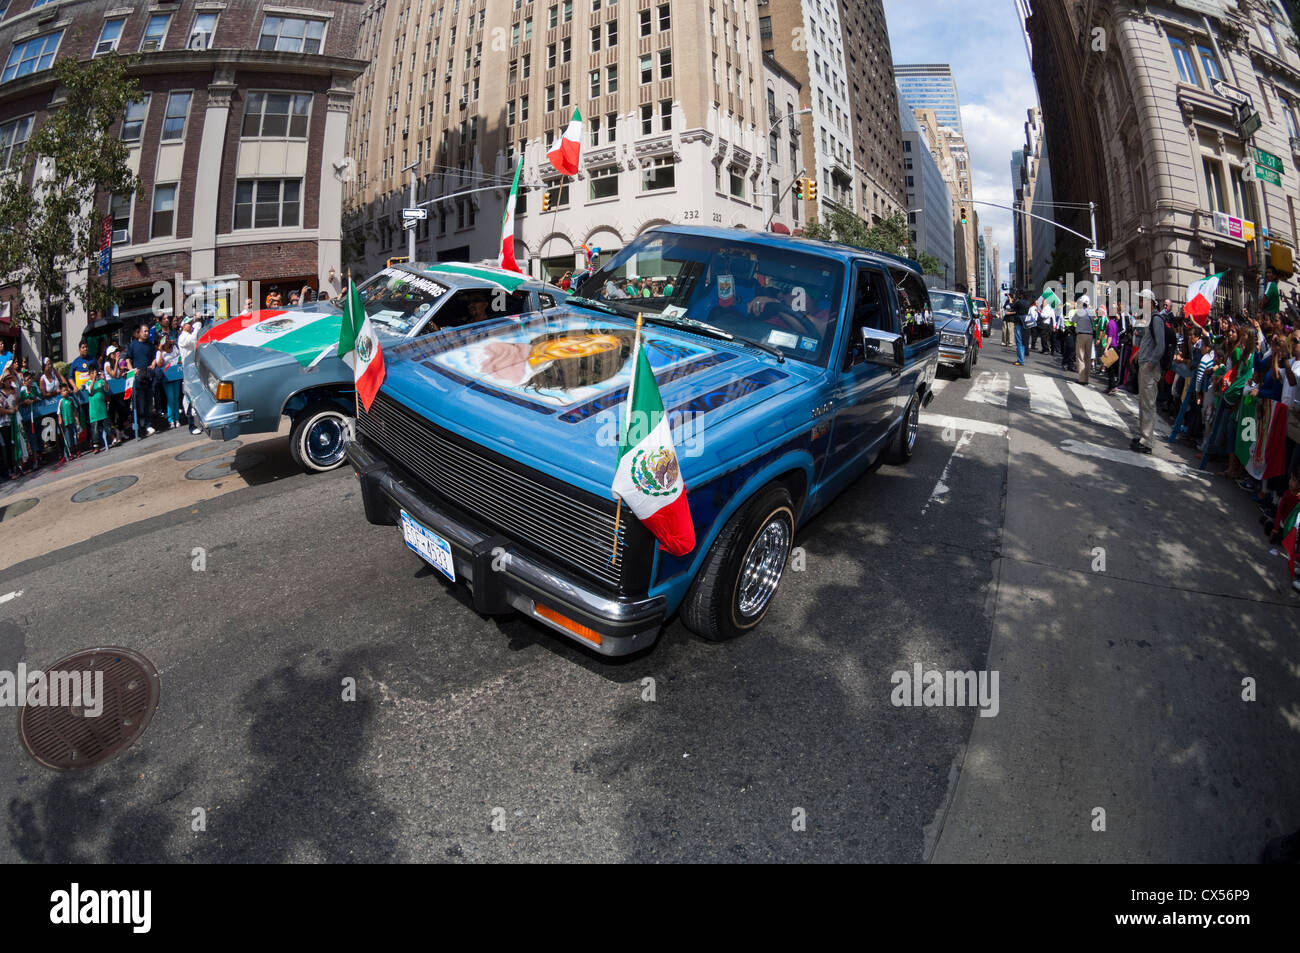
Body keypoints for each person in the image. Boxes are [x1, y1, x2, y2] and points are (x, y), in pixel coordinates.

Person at [1131, 303, 1166, 454]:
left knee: (1148, 404)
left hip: (1149, 368)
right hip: (1144, 365)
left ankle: (1147, 442)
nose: (1140, 304)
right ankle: (1143, 436)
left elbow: (1160, 345)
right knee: (1143, 403)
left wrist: (1151, 362)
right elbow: (1145, 343)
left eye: (1142, 301)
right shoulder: (1148, 319)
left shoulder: (1156, 319)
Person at [125, 321, 156, 438]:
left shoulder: (150, 344)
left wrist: (153, 364)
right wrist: (132, 371)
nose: (147, 333)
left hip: (148, 375)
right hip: (138, 377)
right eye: (145, 331)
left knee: (148, 402)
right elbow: (127, 359)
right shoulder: (133, 345)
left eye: (148, 331)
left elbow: (154, 357)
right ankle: (138, 423)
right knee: (139, 402)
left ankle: (148, 424)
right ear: (140, 332)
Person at [154, 337, 182, 428]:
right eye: (163, 340)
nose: (166, 341)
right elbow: (160, 364)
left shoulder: (174, 348)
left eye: (167, 339)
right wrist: (161, 351)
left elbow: (180, 359)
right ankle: (171, 419)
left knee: (176, 397)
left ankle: (177, 418)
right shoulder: (159, 352)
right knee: (170, 398)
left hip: (176, 375)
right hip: (167, 377)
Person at [86, 367, 110, 453]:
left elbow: (106, 389)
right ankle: (96, 446)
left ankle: (113, 438)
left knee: (107, 425)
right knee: (95, 429)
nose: (95, 374)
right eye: (93, 373)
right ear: (90, 374)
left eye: (96, 372)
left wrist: (104, 380)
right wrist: (93, 380)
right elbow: (90, 391)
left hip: (102, 408)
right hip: (94, 410)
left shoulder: (100, 381)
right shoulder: (88, 383)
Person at [57, 383, 78, 461]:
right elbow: (59, 412)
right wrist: (60, 419)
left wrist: (76, 418)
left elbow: (74, 409)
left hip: (72, 420)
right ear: (61, 393)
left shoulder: (71, 399)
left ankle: (77, 450)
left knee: (74, 435)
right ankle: (71, 453)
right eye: (63, 391)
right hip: (66, 422)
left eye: (66, 390)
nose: (65, 392)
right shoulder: (61, 401)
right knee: (68, 437)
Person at [1010, 291, 1029, 365]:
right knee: (1023, 341)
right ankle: (1022, 359)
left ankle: (1020, 360)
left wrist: (1011, 300)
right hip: (1026, 323)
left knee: (1019, 341)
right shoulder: (1028, 302)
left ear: (1021, 295)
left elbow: (1011, 306)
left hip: (1018, 322)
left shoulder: (1019, 302)